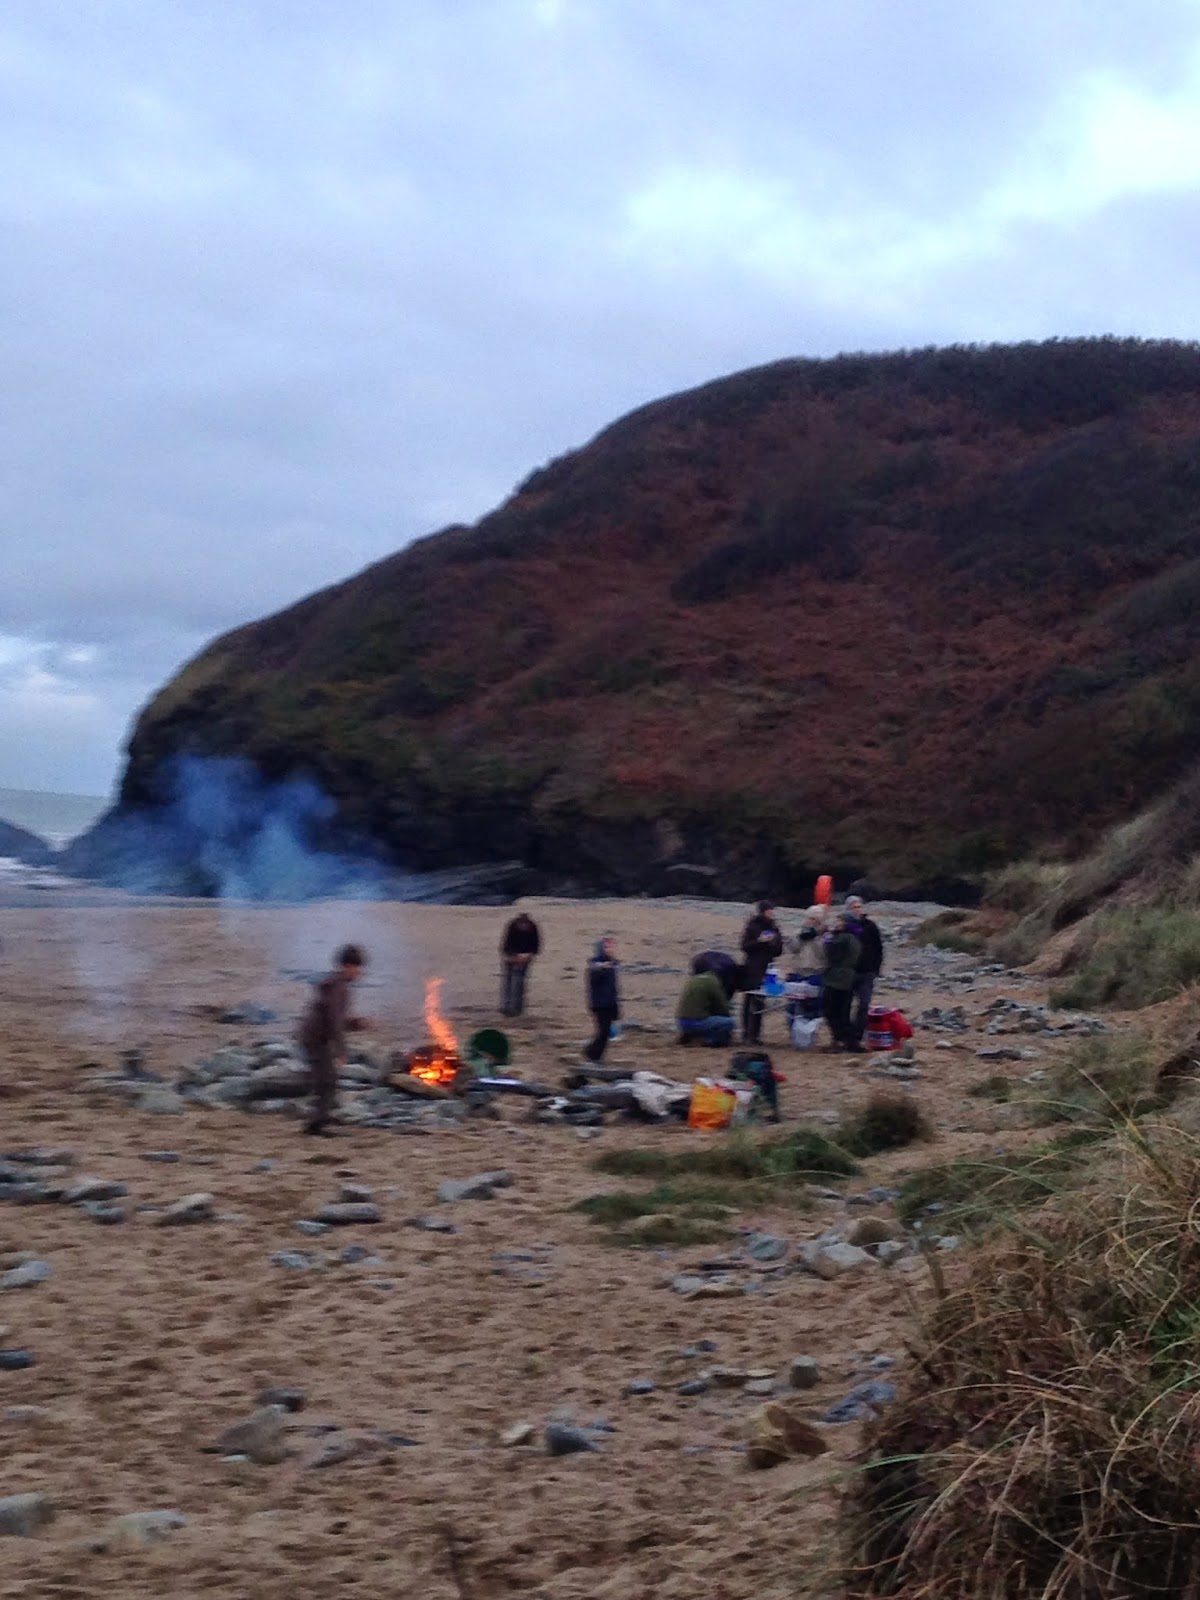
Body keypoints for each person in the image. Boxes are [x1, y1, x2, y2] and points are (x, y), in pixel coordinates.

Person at [297, 943, 370, 1135]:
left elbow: (337, 1018)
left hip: (317, 1037)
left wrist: (356, 1023)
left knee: (328, 1077)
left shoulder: (336, 984)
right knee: (327, 1080)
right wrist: (341, 1050)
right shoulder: (338, 987)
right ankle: (317, 1124)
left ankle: (323, 1115)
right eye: (357, 968)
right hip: (315, 1038)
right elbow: (334, 1021)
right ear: (347, 966)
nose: (359, 973)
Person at [739, 900, 783, 1045]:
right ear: (762, 912)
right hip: (752, 967)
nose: (771, 913)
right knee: (750, 999)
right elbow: (745, 946)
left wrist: (773, 942)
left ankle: (756, 1035)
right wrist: (760, 941)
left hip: (768, 968)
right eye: (769, 911)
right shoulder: (753, 925)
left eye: (772, 911)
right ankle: (747, 1033)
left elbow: (779, 951)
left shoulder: (774, 927)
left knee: (761, 1001)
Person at [843, 894, 884, 1043]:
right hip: (848, 972)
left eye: (859, 907)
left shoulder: (870, 926)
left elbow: (878, 948)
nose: (857, 910)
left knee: (864, 1004)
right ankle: (845, 1036)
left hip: (867, 972)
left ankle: (857, 1037)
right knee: (845, 1005)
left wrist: (875, 968)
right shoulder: (844, 926)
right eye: (854, 907)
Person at [821, 914, 862, 1051]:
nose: (836, 923)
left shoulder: (842, 938)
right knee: (843, 1011)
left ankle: (840, 1039)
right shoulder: (854, 938)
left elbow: (833, 955)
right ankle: (849, 1041)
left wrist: (827, 940)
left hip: (837, 978)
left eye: (839, 921)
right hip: (848, 977)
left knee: (831, 1010)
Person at [676, 957, 735, 1047]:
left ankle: (691, 1036)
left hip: (681, 1021)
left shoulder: (694, 979)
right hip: (696, 1022)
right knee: (729, 1022)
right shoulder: (712, 981)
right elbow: (722, 1005)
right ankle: (707, 1041)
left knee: (711, 1020)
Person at [583, 937, 621, 1062]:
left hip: (610, 1003)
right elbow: (593, 979)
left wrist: (616, 1006)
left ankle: (596, 1055)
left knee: (606, 1032)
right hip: (600, 1004)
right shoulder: (596, 964)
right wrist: (601, 968)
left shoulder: (612, 965)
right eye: (607, 947)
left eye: (611, 947)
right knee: (603, 1031)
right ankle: (591, 1054)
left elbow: (613, 988)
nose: (610, 949)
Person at [499, 910, 541, 1017]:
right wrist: (510, 956)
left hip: (525, 957)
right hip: (511, 955)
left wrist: (527, 955)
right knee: (508, 981)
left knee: (518, 983)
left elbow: (536, 946)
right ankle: (506, 1006)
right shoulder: (512, 926)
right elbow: (506, 944)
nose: (523, 927)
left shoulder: (533, 928)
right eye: (521, 925)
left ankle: (516, 1008)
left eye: (525, 925)